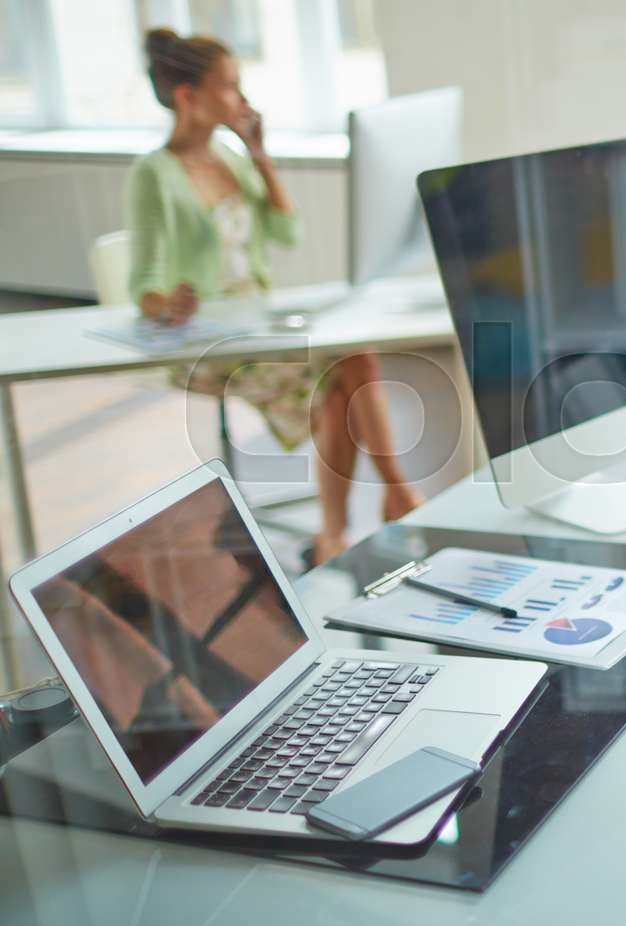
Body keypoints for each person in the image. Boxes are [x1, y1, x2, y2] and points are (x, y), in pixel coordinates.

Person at [126, 28, 423, 565]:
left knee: (356, 356)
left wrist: (260, 155)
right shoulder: (154, 174)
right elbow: (139, 282)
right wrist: (168, 305)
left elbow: (287, 234)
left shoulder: (231, 158)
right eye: (230, 87)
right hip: (206, 339)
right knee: (343, 380)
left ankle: (352, 522)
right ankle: (384, 504)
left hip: (258, 318)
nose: (242, 99)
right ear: (188, 97)